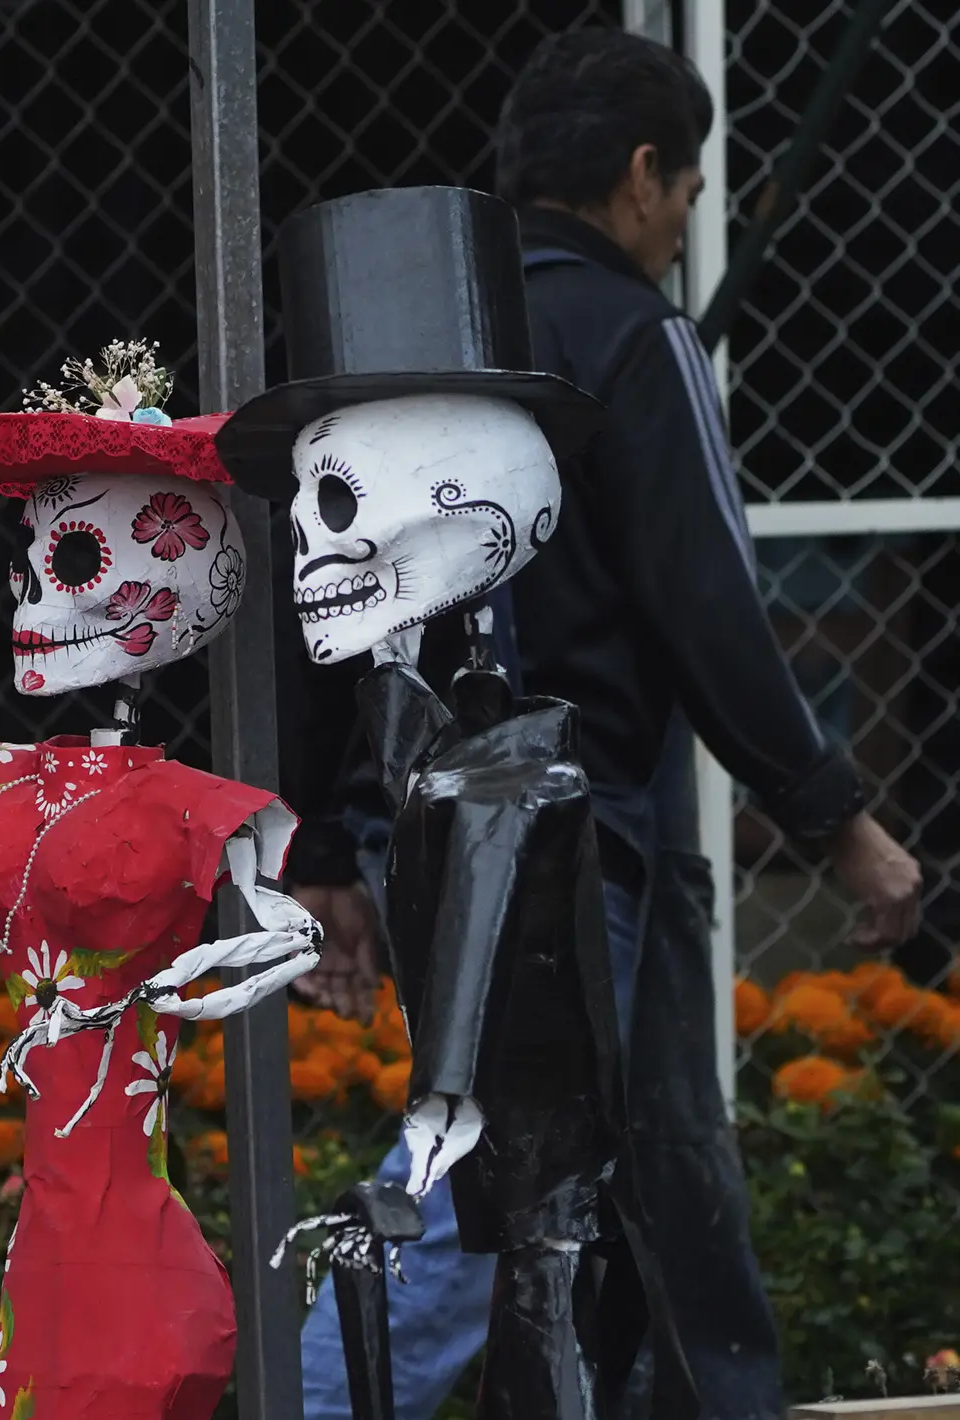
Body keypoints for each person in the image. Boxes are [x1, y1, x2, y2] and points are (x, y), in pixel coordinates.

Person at [286, 30, 922, 1420]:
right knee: (508, 1173)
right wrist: (834, 817)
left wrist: (330, 834)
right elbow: (705, 600)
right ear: (640, 174)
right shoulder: (629, 335)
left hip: (417, 808)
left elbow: (332, 611)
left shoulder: (415, 340)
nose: (684, 225)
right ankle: (311, 1402)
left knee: (577, 1158)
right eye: (687, 193)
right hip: (567, 833)